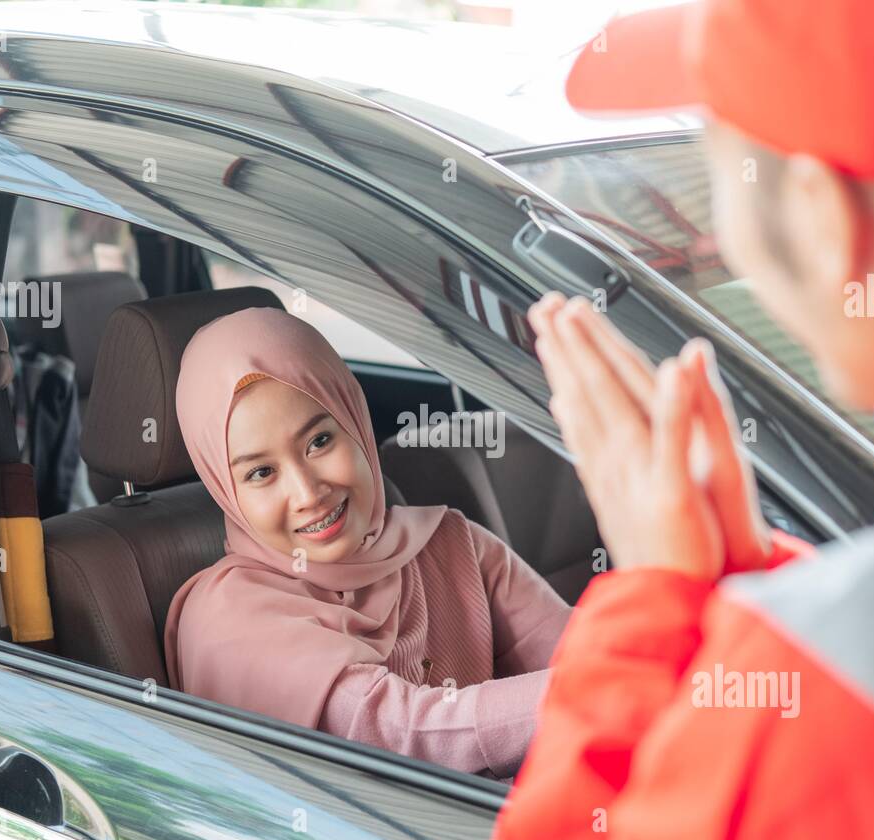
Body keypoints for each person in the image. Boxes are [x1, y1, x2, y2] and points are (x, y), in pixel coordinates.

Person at [487, 0, 874, 840]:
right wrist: (755, 597)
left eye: (717, 176)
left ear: (823, 218)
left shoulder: (842, 707)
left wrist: (656, 600)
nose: (715, 236)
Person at [162, 306, 571, 781]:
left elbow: (580, 647)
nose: (307, 493)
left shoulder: (448, 542)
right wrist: (606, 690)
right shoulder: (231, 623)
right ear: (222, 486)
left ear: (355, 421)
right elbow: (408, 733)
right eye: (261, 472)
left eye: (319, 442)